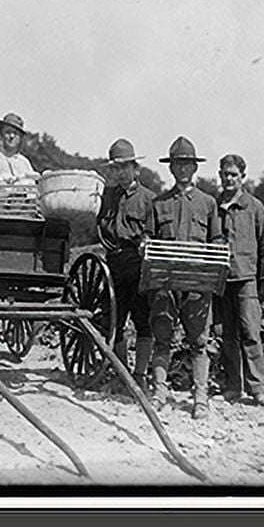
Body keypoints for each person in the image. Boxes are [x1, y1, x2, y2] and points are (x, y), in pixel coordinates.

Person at [146, 136, 224, 420]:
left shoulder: (208, 203)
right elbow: (149, 238)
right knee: (162, 338)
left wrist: (217, 249)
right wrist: (145, 245)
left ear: (195, 167)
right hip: (166, 282)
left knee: (199, 342)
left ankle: (200, 399)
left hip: (196, 283)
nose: (182, 169)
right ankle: (159, 393)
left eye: (187, 164)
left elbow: (216, 238)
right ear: (171, 168)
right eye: (177, 164)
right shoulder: (159, 203)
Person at [216, 153, 264, 406]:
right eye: (225, 174)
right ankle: (233, 386)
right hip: (221, 280)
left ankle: (257, 387)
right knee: (227, 334)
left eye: (233, 174)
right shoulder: (215, 207)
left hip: (247, 279)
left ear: (242, 177)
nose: (229, 179)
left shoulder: (254, 207)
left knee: (250, 332)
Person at [96, 139, 155, 393]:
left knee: (143, 321)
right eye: (115, 168)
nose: (120, 173)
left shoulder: (149, 199)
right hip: (113, 264)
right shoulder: (107, 196)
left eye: (124, 167)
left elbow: (155, 235)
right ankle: (123, 374)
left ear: (135, 168)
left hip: (139, 265)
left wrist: (147, 242)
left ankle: (139, 376)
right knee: (113, 321)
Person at [0, 112, 38, 187]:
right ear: (1, 135)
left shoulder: (25, 163)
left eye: (15, 133)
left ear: (20, 138)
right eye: (8, 132)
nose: (12, 136)